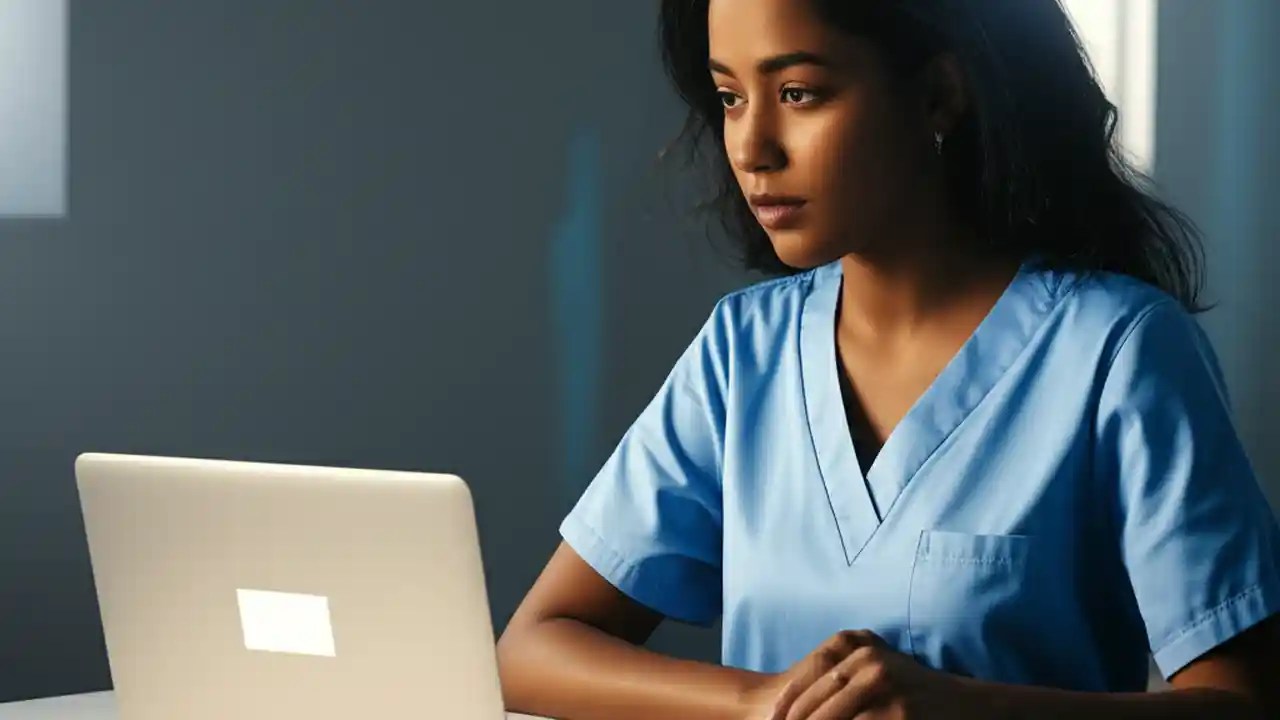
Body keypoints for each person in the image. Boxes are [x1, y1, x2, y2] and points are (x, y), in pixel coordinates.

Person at [497, 0, 1280, 717]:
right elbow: (532, 650)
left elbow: (1242, 702)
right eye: (731, 97)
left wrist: (963, 710)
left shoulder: (1118, 349)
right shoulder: (744, 351)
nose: (752, 147)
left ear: (939, 94)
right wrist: (762, 704)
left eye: (798, 93)